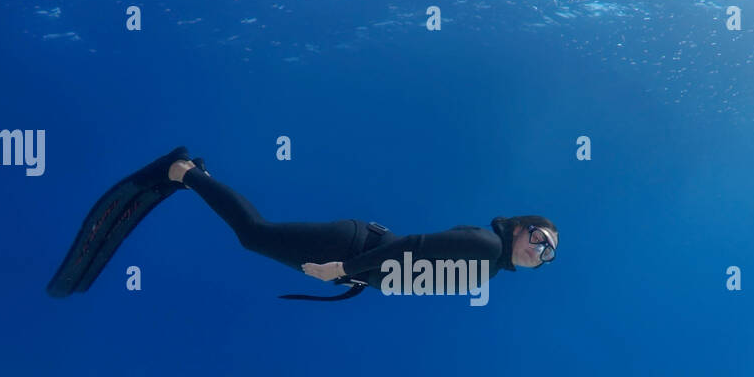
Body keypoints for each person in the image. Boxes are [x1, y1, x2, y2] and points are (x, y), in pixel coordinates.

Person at [167, 156, 557, 301]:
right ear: (520, 227)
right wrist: (344, 269)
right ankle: (187, 172)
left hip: (359, 263)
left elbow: (415, 272)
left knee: (257, 235)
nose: (539, 250)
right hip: (352, 248)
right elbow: (414, 245)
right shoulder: (487, 245)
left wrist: (360, 279)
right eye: (538, 237)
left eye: (547, 253)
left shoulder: (488, 269)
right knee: (254, 235)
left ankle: (200, 177)